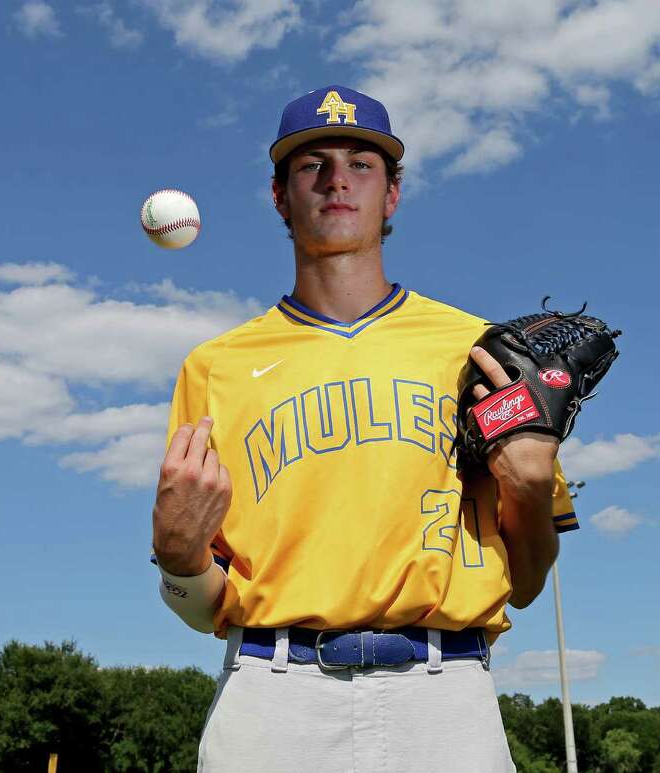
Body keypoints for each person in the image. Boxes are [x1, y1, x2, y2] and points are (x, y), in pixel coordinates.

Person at [151, 85, 580, 772]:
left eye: (361, 162)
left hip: (447, 702)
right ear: (280, 195)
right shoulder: (214, 368)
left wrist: (528, 490)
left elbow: (526, 584)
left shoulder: (479, 349)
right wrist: (178, 559)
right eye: (312, 163)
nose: (336, 179)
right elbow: (208, 608)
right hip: (271, 692)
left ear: (393, 195)